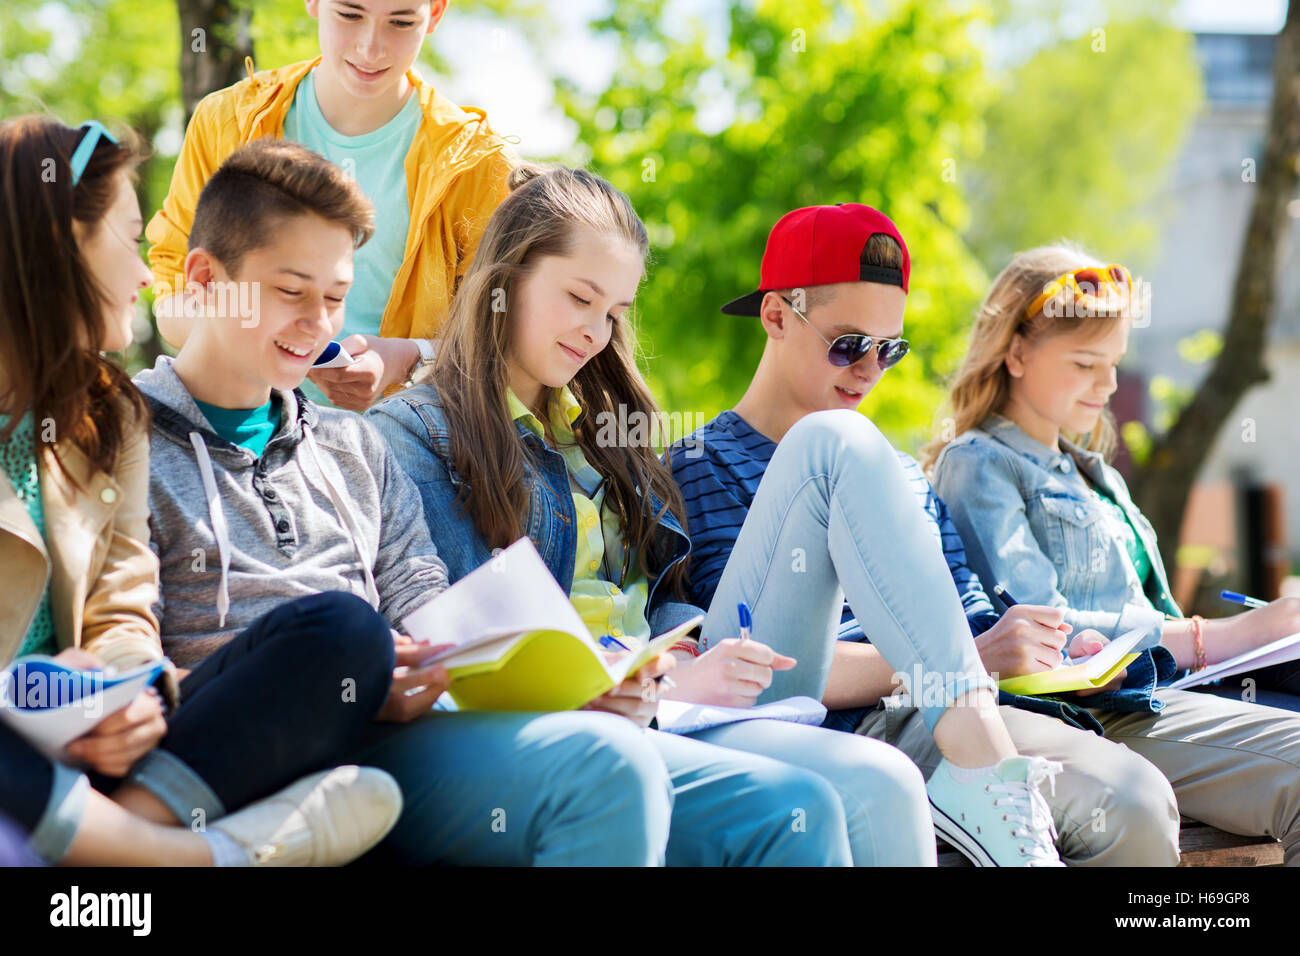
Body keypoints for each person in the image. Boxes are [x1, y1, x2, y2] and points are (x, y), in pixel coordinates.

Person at [141, 140, 848, 866]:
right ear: (203, 279)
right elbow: (122, 650)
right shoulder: (127, 442)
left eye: (333, 299)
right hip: (251, 742)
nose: (319, 324)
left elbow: (429, 607)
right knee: (592, 755)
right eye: (294, 293)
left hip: (402, 732)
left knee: (802, 804)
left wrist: (421, 670)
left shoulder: (351, 448)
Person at [367, 164, 984, 867]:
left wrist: (682, 651)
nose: (596, 332)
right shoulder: (416, 434)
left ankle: (990, 771)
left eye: (615, 313)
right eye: (580, 298)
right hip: (565, 725)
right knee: (803, 805)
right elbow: (451, 630)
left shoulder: (606, 436)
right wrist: (651, 683)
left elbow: (654, 598)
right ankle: (989, 767)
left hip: (669, 704)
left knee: (881, 777)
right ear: (505, 280)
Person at [669, 207, 1191, 866]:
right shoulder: (696, 466)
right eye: (847, 343)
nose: (868, 370)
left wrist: (1031, 644)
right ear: (776, 317)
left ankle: (986, 777)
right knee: (844, 440)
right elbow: (752, 660)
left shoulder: (903, 478)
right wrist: (955, 659)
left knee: (1135, 801)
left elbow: (969, 614)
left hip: (947, 709)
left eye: (889, 350)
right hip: (827, 723)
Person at [0, 115, 402, 867]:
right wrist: (27, 689)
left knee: (345, 635)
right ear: (60, 248)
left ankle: (132, 835)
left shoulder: (104, 412)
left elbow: (120, 605)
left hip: (79, 747)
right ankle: (182, 859)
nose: (149, 275)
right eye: (127, 239)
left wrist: (129, 687)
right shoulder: (149, 412)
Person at [928, 243, 1300, 864]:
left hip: (1172, 695)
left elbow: (1151, 609)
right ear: (1015, 352)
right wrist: (1221, 635)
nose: (1109, 384)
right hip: (1097, 716)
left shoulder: (1095, 473)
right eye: (1084, 363)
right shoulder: (978, 465)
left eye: (1115, 363)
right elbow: (1037, 634)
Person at [147, 0, 514, 410]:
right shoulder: (227, 121)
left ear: (436, 13)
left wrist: (408, 359)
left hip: (398, 444)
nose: (370, 49)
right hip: (235, 433)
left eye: (401, 21)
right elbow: (174, 296)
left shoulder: (476, 163)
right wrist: (268, 344)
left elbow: (502, 338)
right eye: (350, 15)